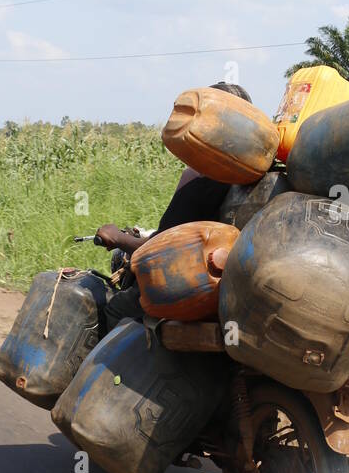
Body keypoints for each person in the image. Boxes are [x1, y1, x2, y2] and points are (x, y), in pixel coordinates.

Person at [98, 81, 252, 332]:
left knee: (115, 308)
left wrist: (116, 238)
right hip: (233, 290)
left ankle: (120, 372)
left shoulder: (201, 177)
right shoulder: (253, 174)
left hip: (192, 289)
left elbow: (161, 247)